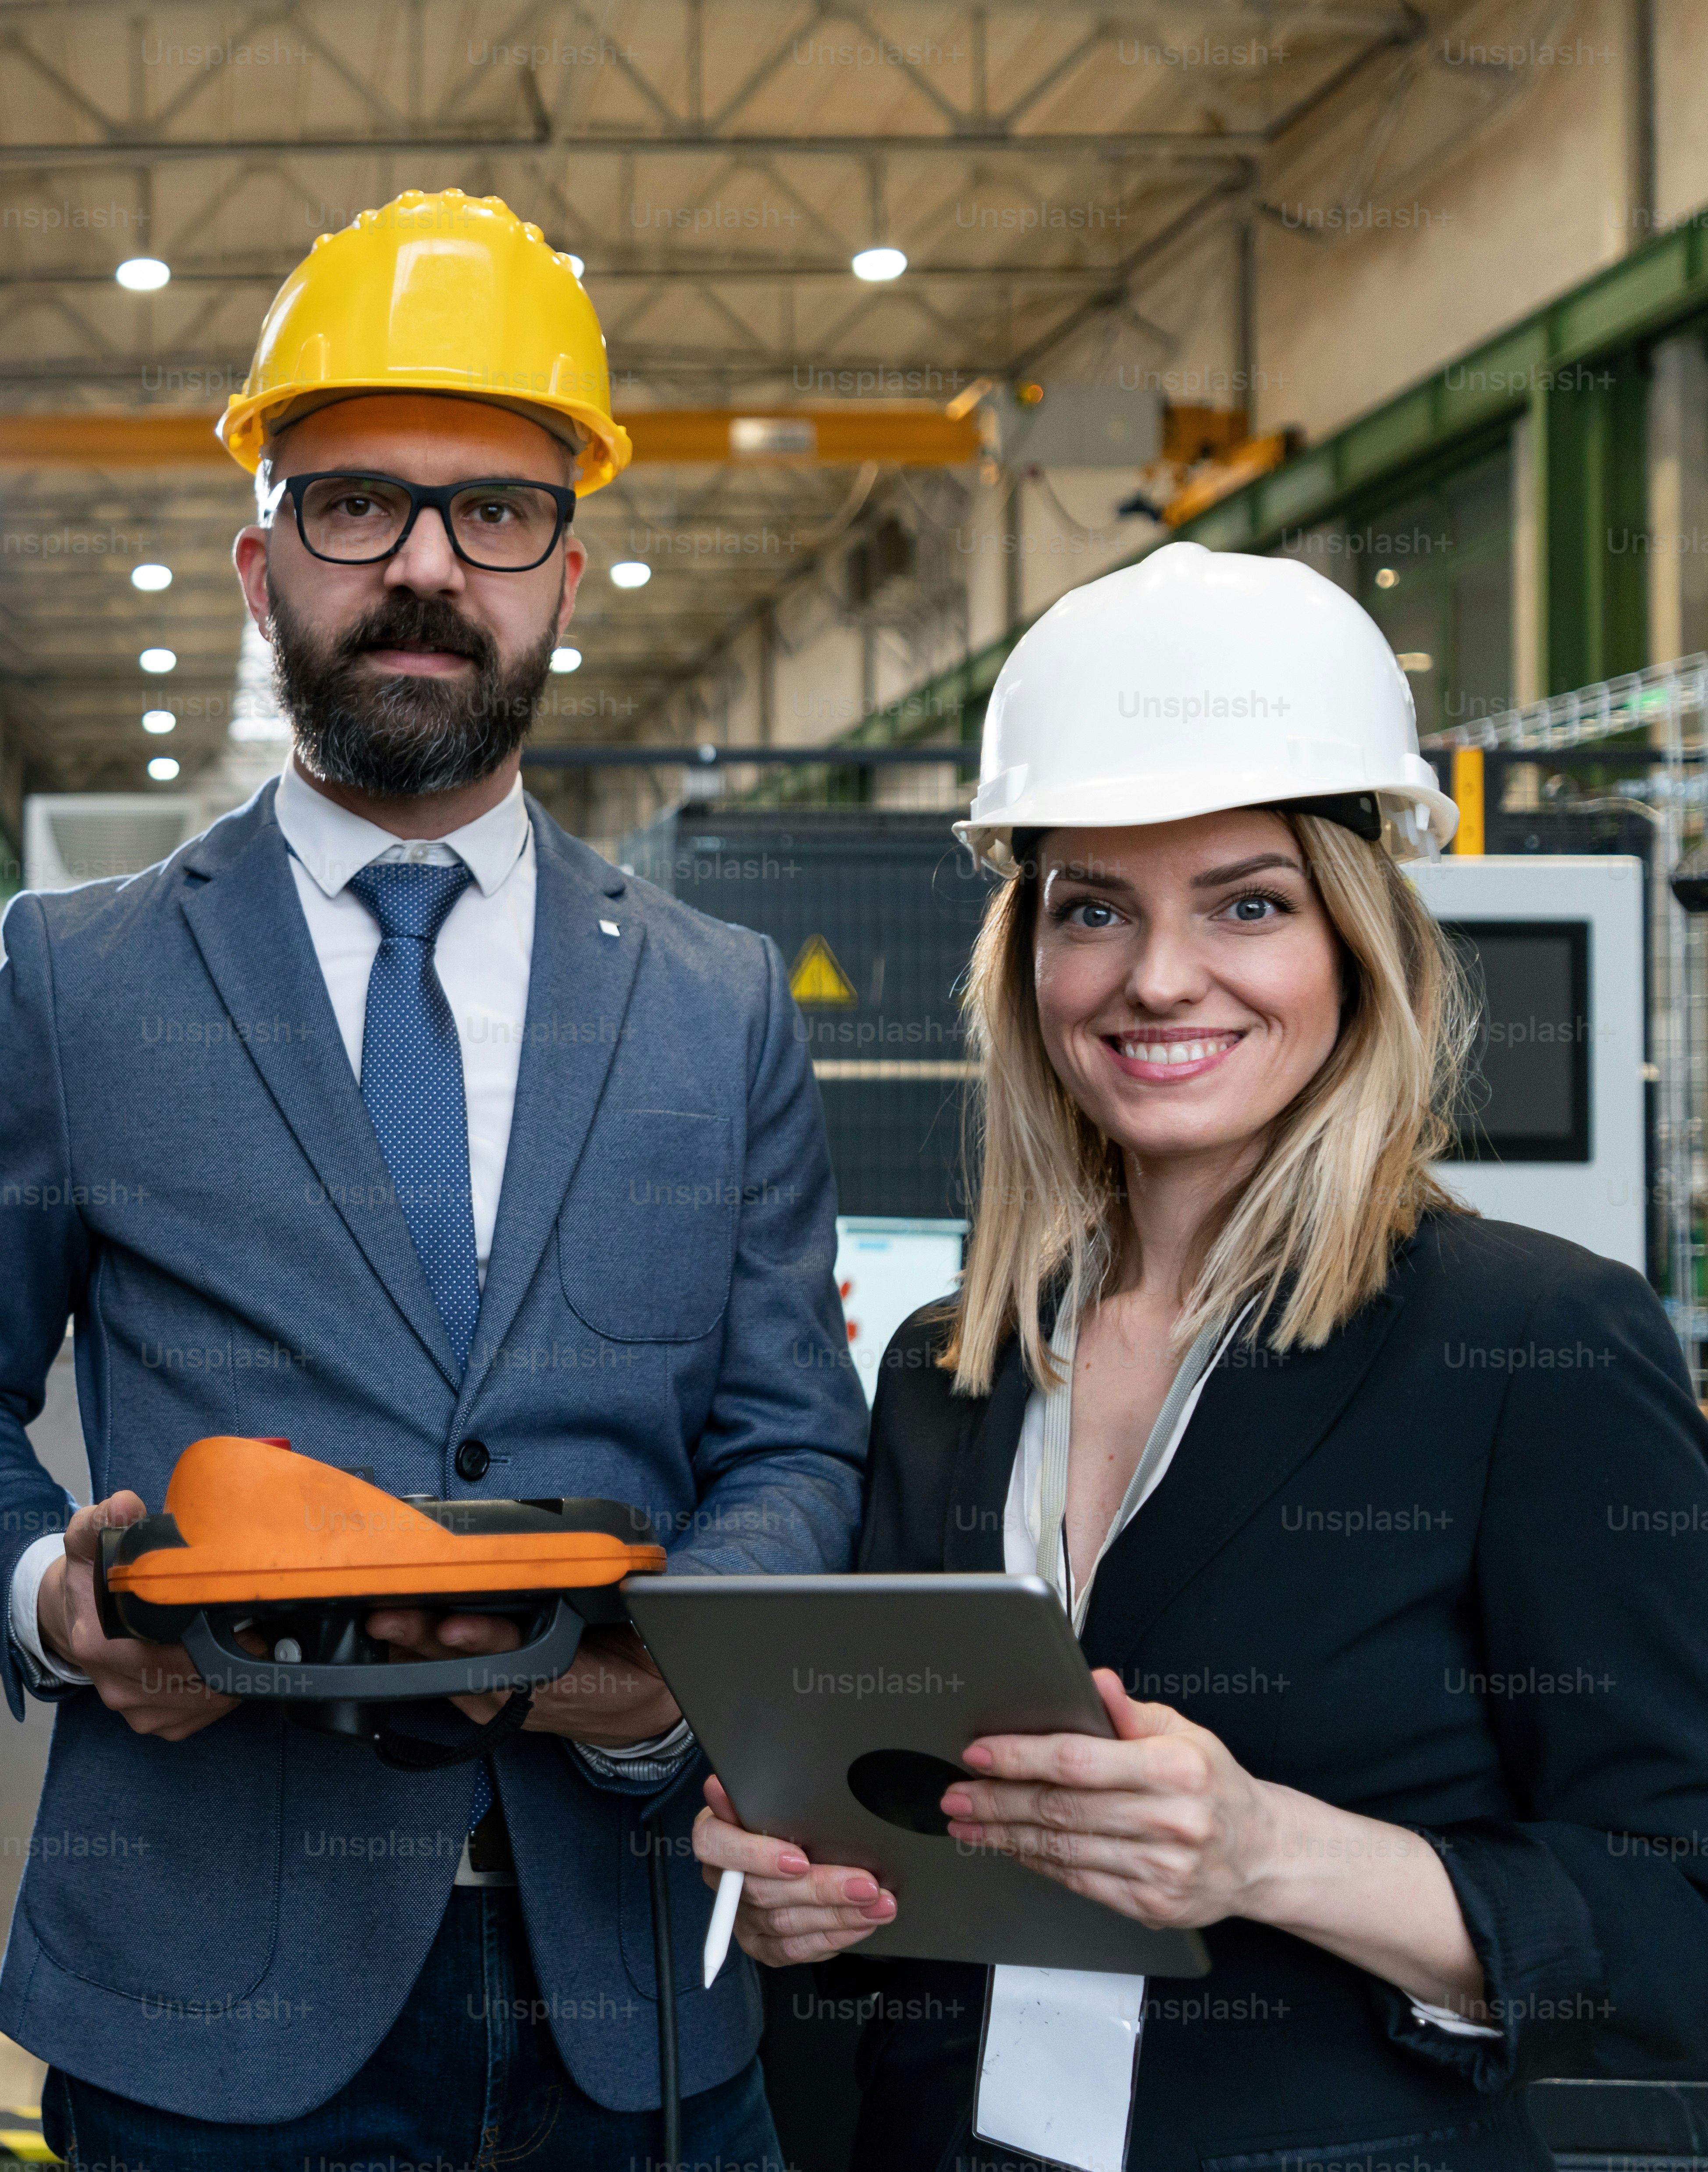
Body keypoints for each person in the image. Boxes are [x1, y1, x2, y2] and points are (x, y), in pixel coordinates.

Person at [0, 189, 866, 2168]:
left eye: (491, 513)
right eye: (353, 506)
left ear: (568, 573)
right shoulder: (87, 980)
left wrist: (666, 1692)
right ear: (259, 565)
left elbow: (790, 1435)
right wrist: (57, 1597)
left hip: (634, 1987)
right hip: (207, 2005)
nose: (421, 567)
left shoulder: (717, 1003)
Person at [695, 541, 1708, 2170]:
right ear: (1027, 958)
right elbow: (879, 1832)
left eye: (1248, 903)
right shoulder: (956, 1366)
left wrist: (1270, 1854)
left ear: (1355, 942)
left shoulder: (1532, 1347)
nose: (1159, 976)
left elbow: (1680, 1912)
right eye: (1095, 907)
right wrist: (789, 1892)